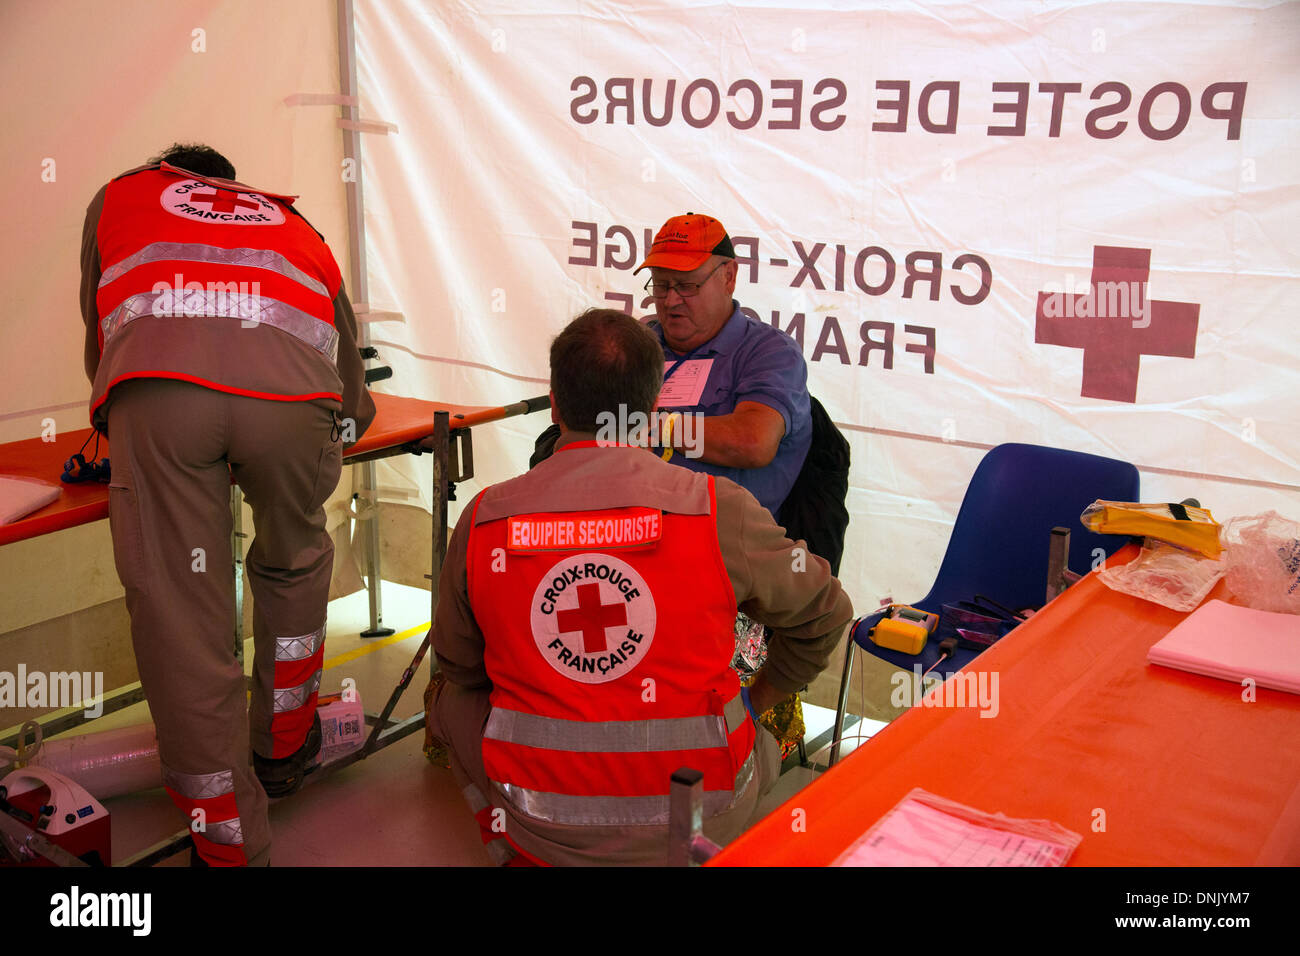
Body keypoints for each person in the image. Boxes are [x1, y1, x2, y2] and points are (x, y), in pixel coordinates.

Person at [427, 308, 852, 865]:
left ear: (555, 404)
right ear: (654, 408)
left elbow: (460, 665)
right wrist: (761, 696)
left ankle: (513, 844)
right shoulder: (716, 508)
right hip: (703, 811)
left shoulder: (484, 518)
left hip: (542, 819)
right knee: (759, 741)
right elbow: (828, 611)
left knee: (448, 698)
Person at [79, 143, 375, 866]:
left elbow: (102, 329)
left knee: (183, 615)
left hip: (162, 395)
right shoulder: (293, 222)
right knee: (295, 559)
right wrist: (343, 425)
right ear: (233, 186)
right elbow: (348, 369)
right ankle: (280, 744)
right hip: (294, 404)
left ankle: (228, 839)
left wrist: (116, 417)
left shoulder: (120, 195)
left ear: (167, 173)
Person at [634, 212, 812, 523]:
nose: (671, 300)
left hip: (720, 542)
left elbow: (752, 442)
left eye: (687, 286)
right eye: (661, 286)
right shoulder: (638, 341)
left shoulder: (769, 352)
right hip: (625, 530)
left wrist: (655, 426)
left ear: (728, 277)